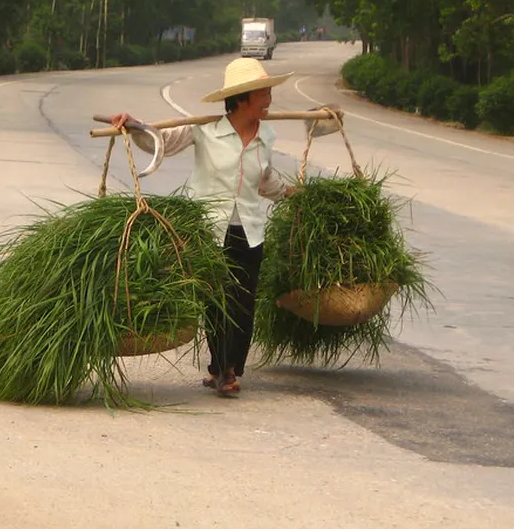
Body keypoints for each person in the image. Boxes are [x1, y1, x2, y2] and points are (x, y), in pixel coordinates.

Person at [109, 58, 341, 399]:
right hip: (211, 229)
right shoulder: (204, 129)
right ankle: (221, 369)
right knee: (216, 302)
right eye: (264, 93)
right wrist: (134, 126)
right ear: (243, 97)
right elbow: (161, 142)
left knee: (243, 302)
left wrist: (292, 193)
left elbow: (263, 180)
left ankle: (231, 369)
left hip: (249, 230)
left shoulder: (266, 134)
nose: (269, 99)